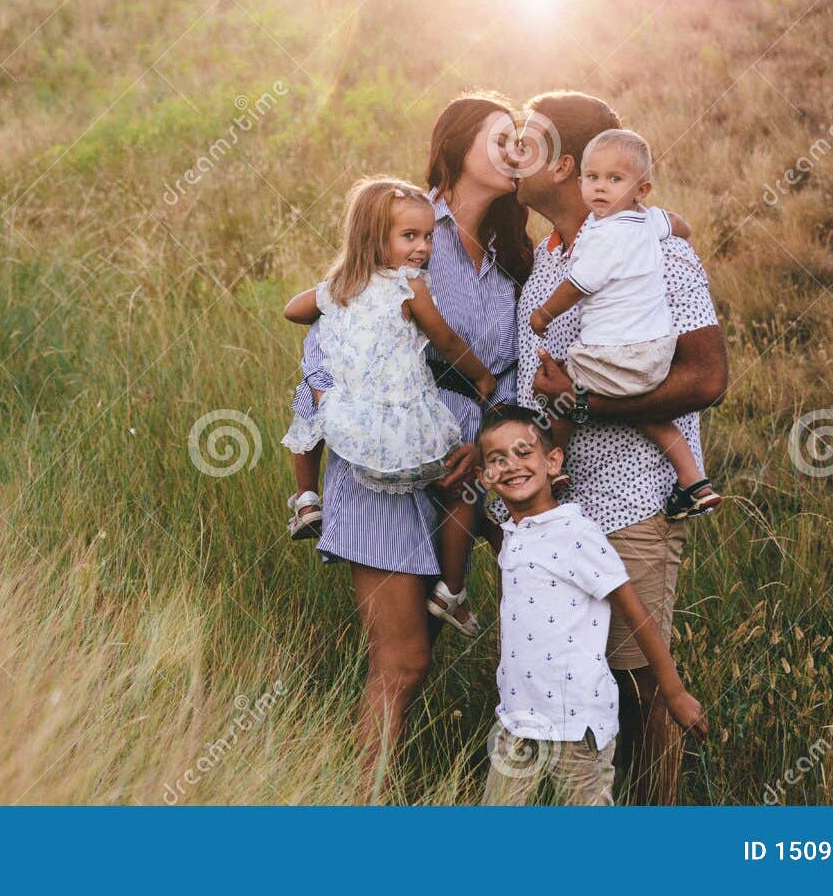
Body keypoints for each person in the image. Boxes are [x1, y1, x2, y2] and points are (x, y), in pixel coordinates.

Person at [292, 93, 530, 779]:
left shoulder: (515, 252)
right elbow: (329, 337)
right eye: (502, 137)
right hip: (387, 461)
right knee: (403, 659)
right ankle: (366, 805)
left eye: (524, 141)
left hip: (474, 457)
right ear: (456, 147)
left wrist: (490, 443)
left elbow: (508, 368)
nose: (517, 150)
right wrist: (316, 437)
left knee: (546, 609)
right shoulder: (405, 227)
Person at [512, 90, 728, 805]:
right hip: (555, 511)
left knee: (641, 681)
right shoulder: (547, 261)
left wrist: (584, 403)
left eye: (530, 140)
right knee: (575, 681)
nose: (514, 151)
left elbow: (707, 374)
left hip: (633, 500)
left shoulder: (658, 252)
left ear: (568, 166)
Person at [475, 404, 707, 805]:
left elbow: (634, 611)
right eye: (498, 459)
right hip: (517, 720)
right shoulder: (512, 535)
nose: (511, 465)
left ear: (553, 461)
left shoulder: (577, 533)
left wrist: (674, 693)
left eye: (524, 452)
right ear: (486, 477)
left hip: (576, 725)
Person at [527, 127, 721, 519]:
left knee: (561, 389)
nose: (600, 187)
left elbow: (579, 284)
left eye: (614, 180)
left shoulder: (601, 236)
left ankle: (556, 466)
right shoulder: (647, 223)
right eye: (594, 178)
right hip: (653, 355)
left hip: (613, 356)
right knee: (648, 412)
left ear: (641, 189)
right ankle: (693, 480)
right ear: (580, 180)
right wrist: (679, 236)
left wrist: (544, 314)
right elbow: (679, 224)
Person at [281, 176, 495, 498]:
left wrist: (331, 303)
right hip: (392, 402)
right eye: (409, 236)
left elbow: (293, 310)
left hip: (350, 405)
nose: (423, 247)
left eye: (428, 236)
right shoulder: (409, 286)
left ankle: (307, 496)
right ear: (373, 238)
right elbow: (446, 341)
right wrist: (482, 376)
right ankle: (428, 483)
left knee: (310, 395)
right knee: (432, 458)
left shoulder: (346, 286)